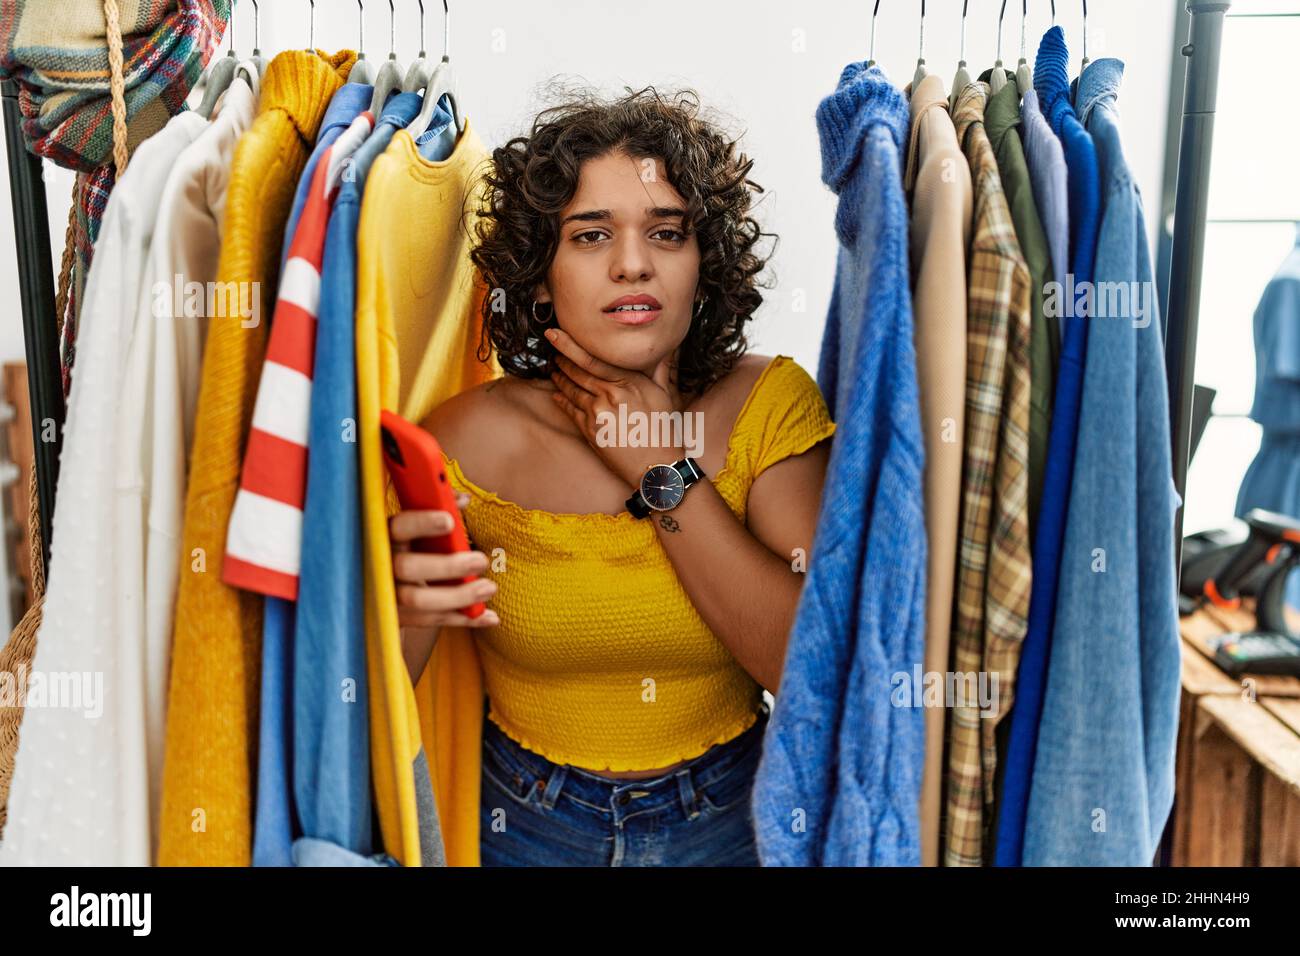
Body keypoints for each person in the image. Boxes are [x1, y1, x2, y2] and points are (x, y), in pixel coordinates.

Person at [387, 85, 836, 866]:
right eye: (591, 236)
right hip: (520, 826)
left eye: (667, 233)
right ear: (537, 275)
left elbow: (810, 672)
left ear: (706, 265)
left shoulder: (771, 405)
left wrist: (662, 468)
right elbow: (371, 724)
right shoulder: (466, 440)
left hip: (735, 821)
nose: (633, 264)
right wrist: (402, 613)